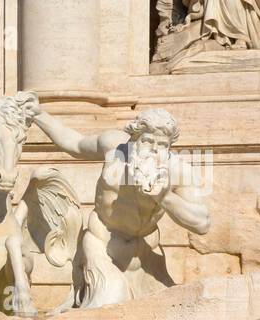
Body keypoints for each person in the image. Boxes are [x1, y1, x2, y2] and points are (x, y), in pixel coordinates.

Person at [32, 108, 212, 308]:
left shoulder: (178, 170)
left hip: (145, 254)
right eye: (147, 141)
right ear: (134, 137)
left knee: (171, 310)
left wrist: (165, 197)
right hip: (101, 245)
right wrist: (38, 114)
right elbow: (74, 143)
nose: (153, 149)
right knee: (110, 302)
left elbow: (202, 223)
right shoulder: (114, 147)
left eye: (162, 145)